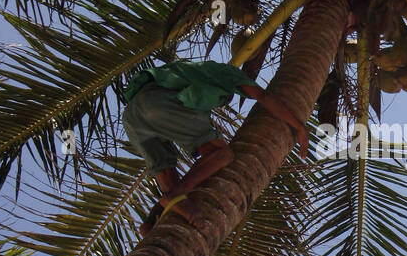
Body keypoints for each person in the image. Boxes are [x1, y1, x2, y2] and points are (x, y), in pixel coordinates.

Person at [121, 58, 309, 234]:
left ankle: (150, 223)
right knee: (221, 153)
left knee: (163, 167)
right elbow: (264, 97)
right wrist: (299, 127)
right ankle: (175, 196)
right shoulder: (228, 73)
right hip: (159, 102)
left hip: (132, 116)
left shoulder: (198, 74)